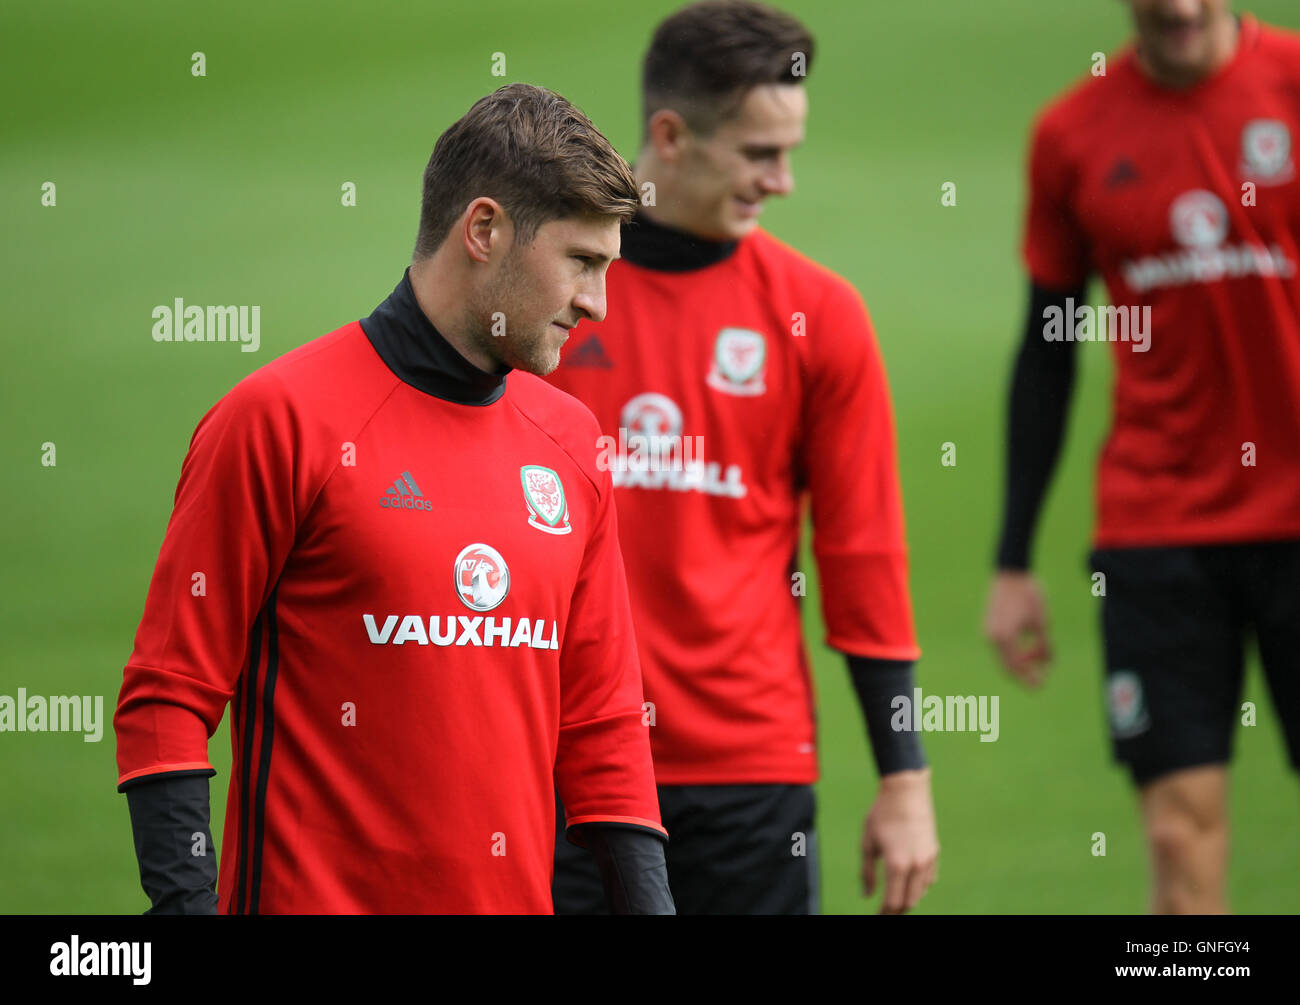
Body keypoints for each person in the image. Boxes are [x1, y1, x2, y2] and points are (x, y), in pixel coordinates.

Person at [114, 83, 674, 915]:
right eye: (581, 262)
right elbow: (167, 694)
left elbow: (603, 728)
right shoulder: (278, 420)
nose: (597, 303)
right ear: (483, 230)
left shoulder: (573, 444)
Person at [547, 0, 938, 915]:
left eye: (791, 150)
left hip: (749, 778)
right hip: (564, 761)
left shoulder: (820, 316)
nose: (785, 181)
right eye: (761, 154)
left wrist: (905, 777)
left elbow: (863, 557)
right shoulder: (549, 303)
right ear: (671, 136)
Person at [985, 0, 1300, 913]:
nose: (1180, 10)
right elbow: (1047, 347)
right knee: (1174, 828)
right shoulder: (1072, 133)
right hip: (1158, 526)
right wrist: (1012, 557)